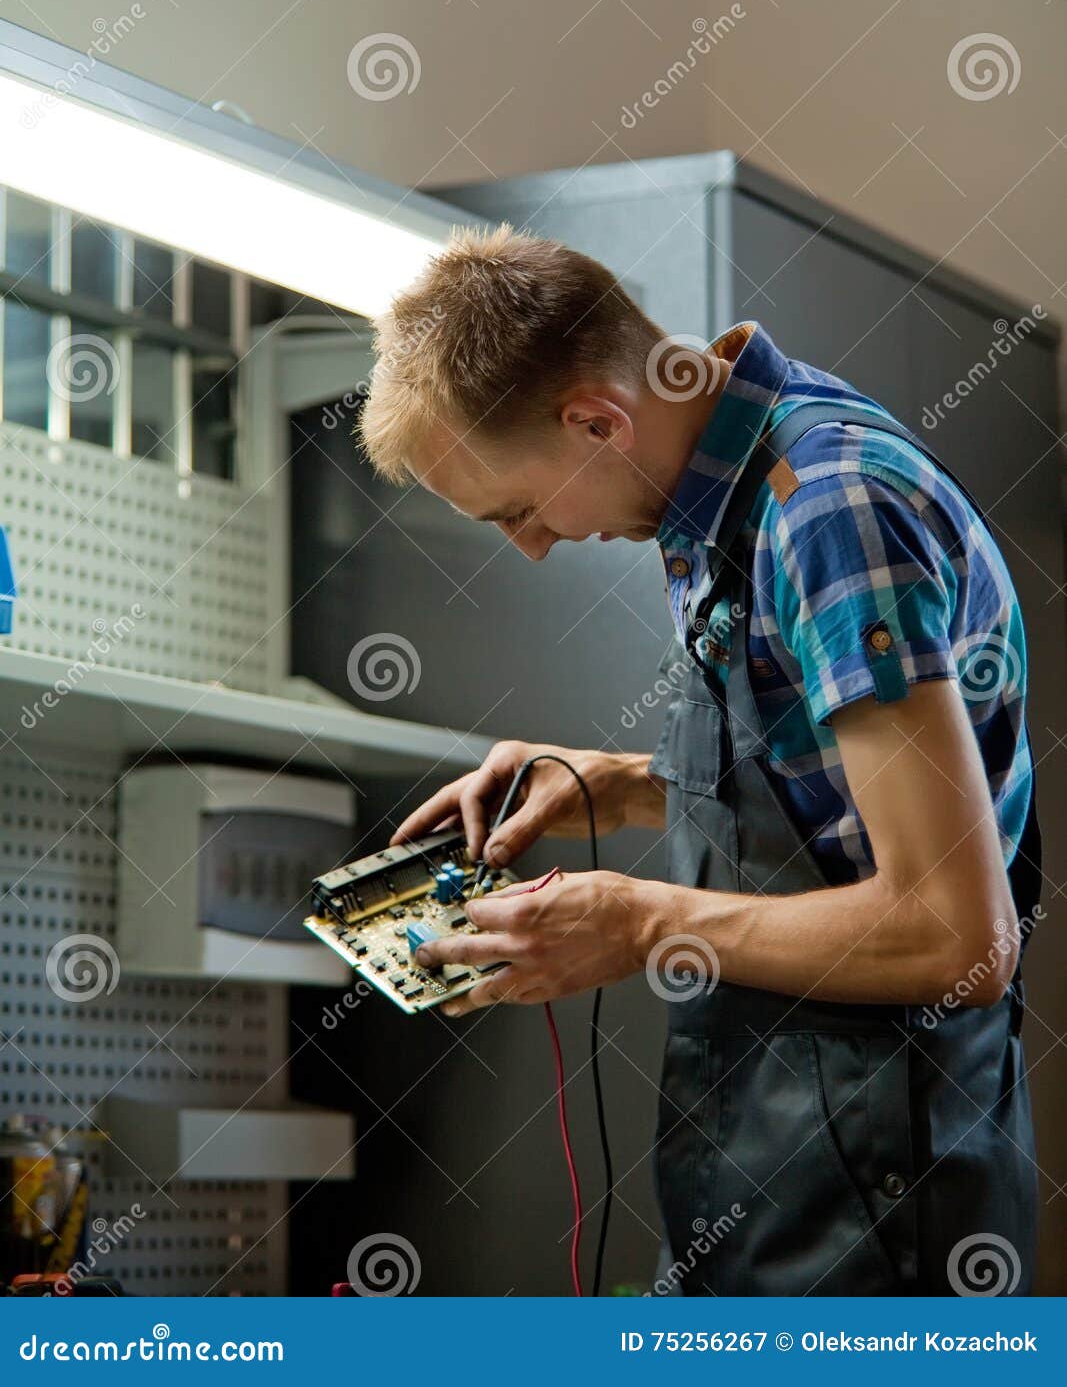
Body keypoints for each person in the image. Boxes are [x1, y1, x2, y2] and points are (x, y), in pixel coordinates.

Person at [356, 222, 1040, 1296]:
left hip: (878, 1187)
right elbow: (828, 799)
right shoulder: (724, 481)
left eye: (521, 510)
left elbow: (956, 932)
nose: (530, 545)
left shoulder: (825, 505)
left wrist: (636, 921)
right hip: (773, 1162)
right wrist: (618, 784)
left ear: (593, 419)